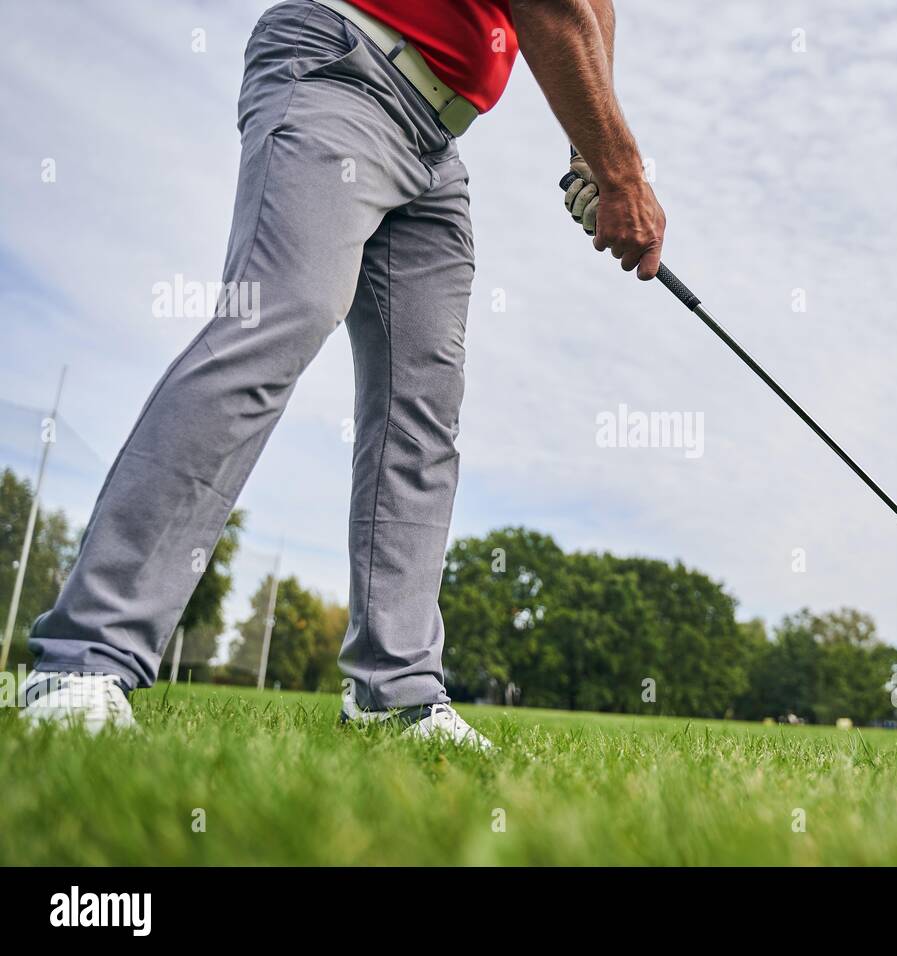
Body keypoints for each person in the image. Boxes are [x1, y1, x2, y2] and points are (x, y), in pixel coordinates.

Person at [20, 0, 665, 743]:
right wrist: (620, 174)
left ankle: (395, 691)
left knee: (423, 410)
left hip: (437, 143)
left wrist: (594, 157)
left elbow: (593, 7)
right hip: (343, 67)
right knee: (276, 321)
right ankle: (84, 658)